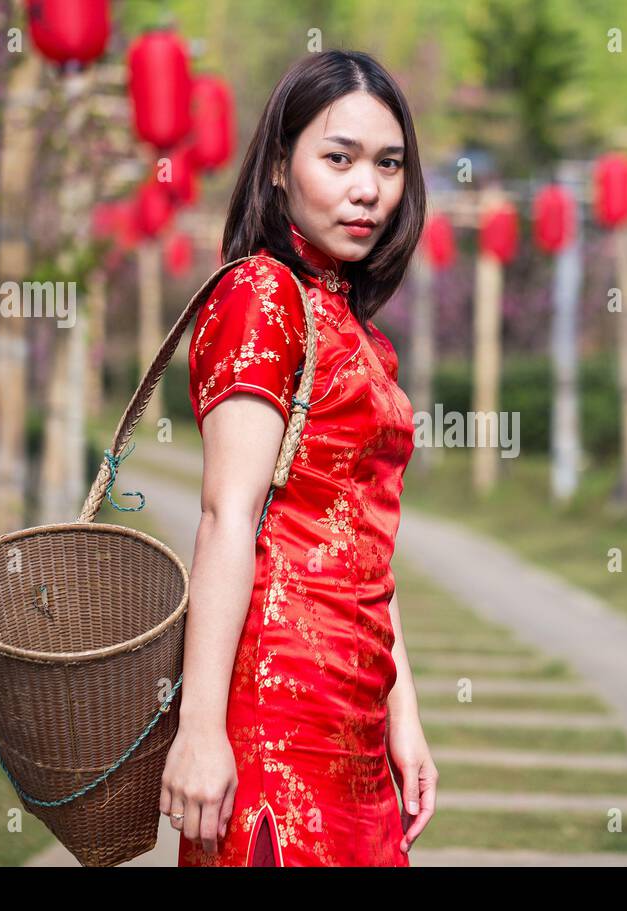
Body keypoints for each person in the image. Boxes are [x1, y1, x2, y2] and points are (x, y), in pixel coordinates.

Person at [163, 49, 436, 867]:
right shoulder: (261, 296)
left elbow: (361, 543)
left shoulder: (356, 329)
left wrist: (404, 717)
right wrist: (203, 731)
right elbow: (226, 516)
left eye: (389, 165)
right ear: (280, 167)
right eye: (339, 158)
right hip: (275, 711)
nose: (368, 189)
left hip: (355, 713)